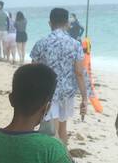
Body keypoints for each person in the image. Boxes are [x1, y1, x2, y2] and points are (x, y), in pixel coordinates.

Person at [28, 8, 87, 147]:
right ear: (67, 24)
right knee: (62, 129)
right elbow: (79, 73)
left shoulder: (41, 43)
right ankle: (64, 160)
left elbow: (33, 71)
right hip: (67, 93)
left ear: (50, 23)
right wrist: (84, 97)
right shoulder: (75, 44)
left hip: (48, 92)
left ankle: (62, 161)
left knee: (52, 132)